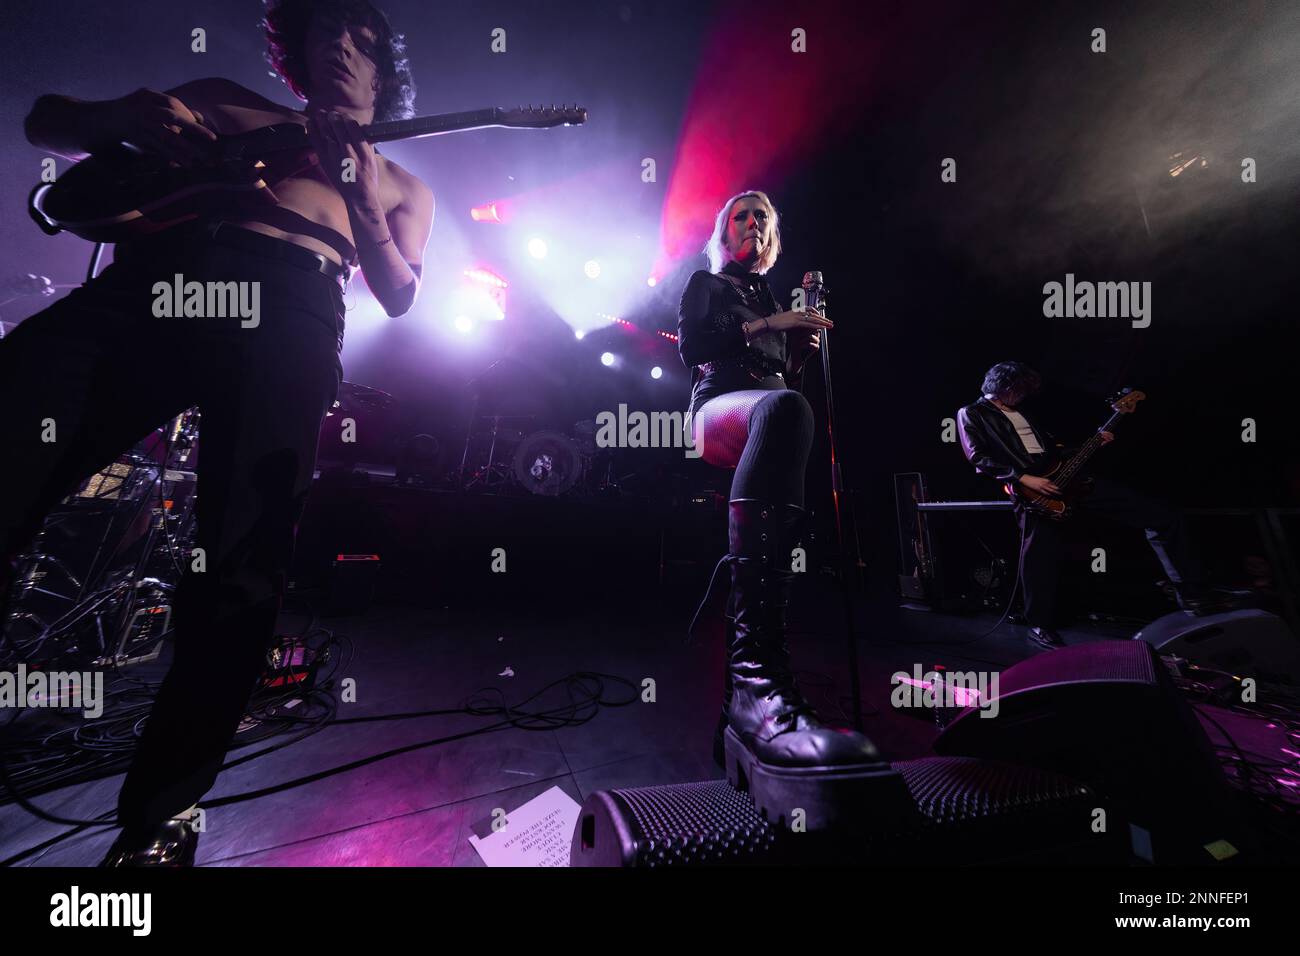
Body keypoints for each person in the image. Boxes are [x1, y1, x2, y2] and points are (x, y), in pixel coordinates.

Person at [3, 0, 433, 865]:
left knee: (245, 557)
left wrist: (357, 195)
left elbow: (399, 292)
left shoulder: (402, 184)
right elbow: (47, 119)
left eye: (361, 41)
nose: (342, 50)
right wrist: (116, 117)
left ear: (385, 68)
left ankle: (163, 814)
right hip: (163, 281)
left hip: (295, 307)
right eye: (326, 34)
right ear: (296, 51)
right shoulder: (225, 101)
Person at [678, 190, 887, 828]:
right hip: (716, 408)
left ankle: (750, 691)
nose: (752, 223)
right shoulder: (708, 284)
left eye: (762, 217)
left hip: (772, 407)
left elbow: (787, 380)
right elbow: (695, 349)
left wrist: (801, 348)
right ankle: (752, 678)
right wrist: (774, 326)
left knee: (789, 408)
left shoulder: (777, 298)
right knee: (783, 410)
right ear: (725, 228)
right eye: (742, 215)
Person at [957, 361, 1223, 650]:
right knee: (1039, 557)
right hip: (1031, 488)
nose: (1023, 396)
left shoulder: (1023, 412)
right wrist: (1025, 479)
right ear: (1007, 386)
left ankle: (1193, 592)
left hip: (1068, 478)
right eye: (1020, 389)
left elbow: (1050, 450)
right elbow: (978, 457)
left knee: (1161, 516)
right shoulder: (972, 412)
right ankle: (1040, 623)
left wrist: (1095, 441)